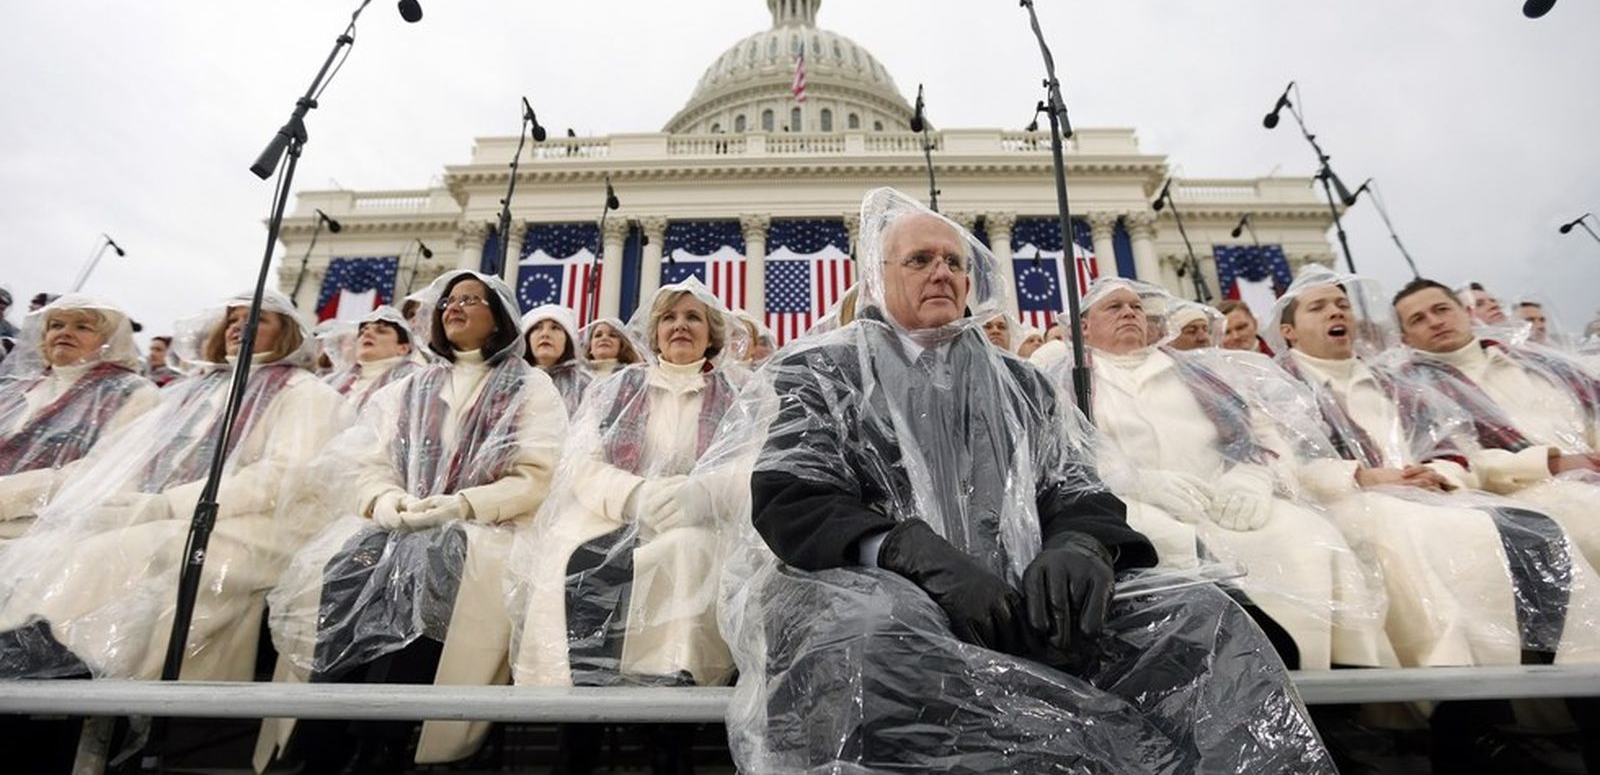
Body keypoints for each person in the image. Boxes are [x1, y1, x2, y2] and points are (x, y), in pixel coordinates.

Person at [726, 189, 1333, 773]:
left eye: (954, 262)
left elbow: (1076, 486)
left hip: (1021, 596)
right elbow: (793, 495)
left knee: (1202, 615)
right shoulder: (820, 370)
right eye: (919, 260)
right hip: (878, 590)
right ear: (878, 277)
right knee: (868, 638)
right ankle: (1097, 757)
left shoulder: (1023, 383)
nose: (941, 272)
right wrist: (906, 552)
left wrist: (1081, 547)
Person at [1271, 267, 1600, 771]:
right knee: (1423, 531)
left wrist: (1436, 472)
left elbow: (1450, 447)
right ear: (1288, 331)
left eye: (1341, 303)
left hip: (1430, 493)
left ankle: (1574, 691)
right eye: (1317, 307)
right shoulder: (1274, 384)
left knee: (1521, 528)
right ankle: (1459, 715)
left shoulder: (1393, 380)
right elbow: (1280, 459)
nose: (1336, 311)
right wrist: (1366, 477)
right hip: (1351, 501)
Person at [261, 271, 567, 774]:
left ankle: (387, 737)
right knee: (351, 558)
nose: (453, 307)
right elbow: (366, 459)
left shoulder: (530, 387)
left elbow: (537, 474)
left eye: (470, 299)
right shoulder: (410, 386)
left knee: (435, 555)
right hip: (400, 521)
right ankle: (322, 735)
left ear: (499, 318)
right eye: (448, 299)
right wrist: (383, 499)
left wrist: (463, 505)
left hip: (489, 529)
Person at [0, 289, 348, 682]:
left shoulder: (305, 392)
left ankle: (75, 670)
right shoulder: (201, 388)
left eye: (257, 320)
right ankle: (36, 652)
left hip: (257, 525)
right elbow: (136, 460)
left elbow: (283, 475)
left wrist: (169, 506)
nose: (239, 327)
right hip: (177, 512)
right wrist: (126, 503)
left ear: (286, 332)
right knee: (61, 542)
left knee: (119, 552)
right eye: (232, 319)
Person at [1078, 277, 1391, 672]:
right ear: (1084, 326)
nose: (1129, 313)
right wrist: (1136, 482)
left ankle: (1337, 678)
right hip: (1132, 506)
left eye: (1137, 307)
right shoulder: (1067, 377)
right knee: (1177, 549)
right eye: (1114, 307)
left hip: (1225, 499)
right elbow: (1064, 453)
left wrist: (1251, 478)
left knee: (1312, 537)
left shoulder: (1200, 373)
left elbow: (1263, 438)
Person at [508, 278, 747, 774]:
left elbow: (753, 464)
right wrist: (637, 495)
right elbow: (581, 463)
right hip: (610, 516)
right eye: (669, 318)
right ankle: (580, 741)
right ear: (654, 333)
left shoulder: (740, 392)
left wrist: (697, 495)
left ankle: (669, 738)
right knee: (585, 565)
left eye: (693, 318)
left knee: (686, 557)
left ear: (712, 334)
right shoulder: (617, 386)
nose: (680, 326)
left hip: (703, 523)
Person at [1387, 278, 1600, 570]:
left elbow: (1593, 410)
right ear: (1405, 339)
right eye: (1418, 319)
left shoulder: (1539, 361)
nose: (1435, 322)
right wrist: (1551, 463)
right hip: (1528, 491)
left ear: (1464, 311)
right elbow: (1458, 461)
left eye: (1442, 310)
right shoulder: (1410, 390)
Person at [0, 295, 160, 538]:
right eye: (56, 325)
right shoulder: (21, 387)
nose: (65, 332)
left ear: (111, 340)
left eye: (82, 327)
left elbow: (103, 473)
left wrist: (8, 495)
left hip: (40, 534)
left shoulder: (134, 393)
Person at [322, 306, 421, 412]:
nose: (367, 334)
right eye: (362, 332)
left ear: (403, 348)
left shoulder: (414, 382)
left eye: (381, 331)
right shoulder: (332, 382)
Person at [520, 303, 592, 418]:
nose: (545, 334)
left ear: (567, 340)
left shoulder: (584, 385)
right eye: (537, 328)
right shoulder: (512, 381)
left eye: (555, 328)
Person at [580, 315, 641, 383]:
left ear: (621, 346)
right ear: (590, 348)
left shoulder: (634, 377)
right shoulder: (578, 378)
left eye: (612, 335)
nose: (604, 338)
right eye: (598, 335)